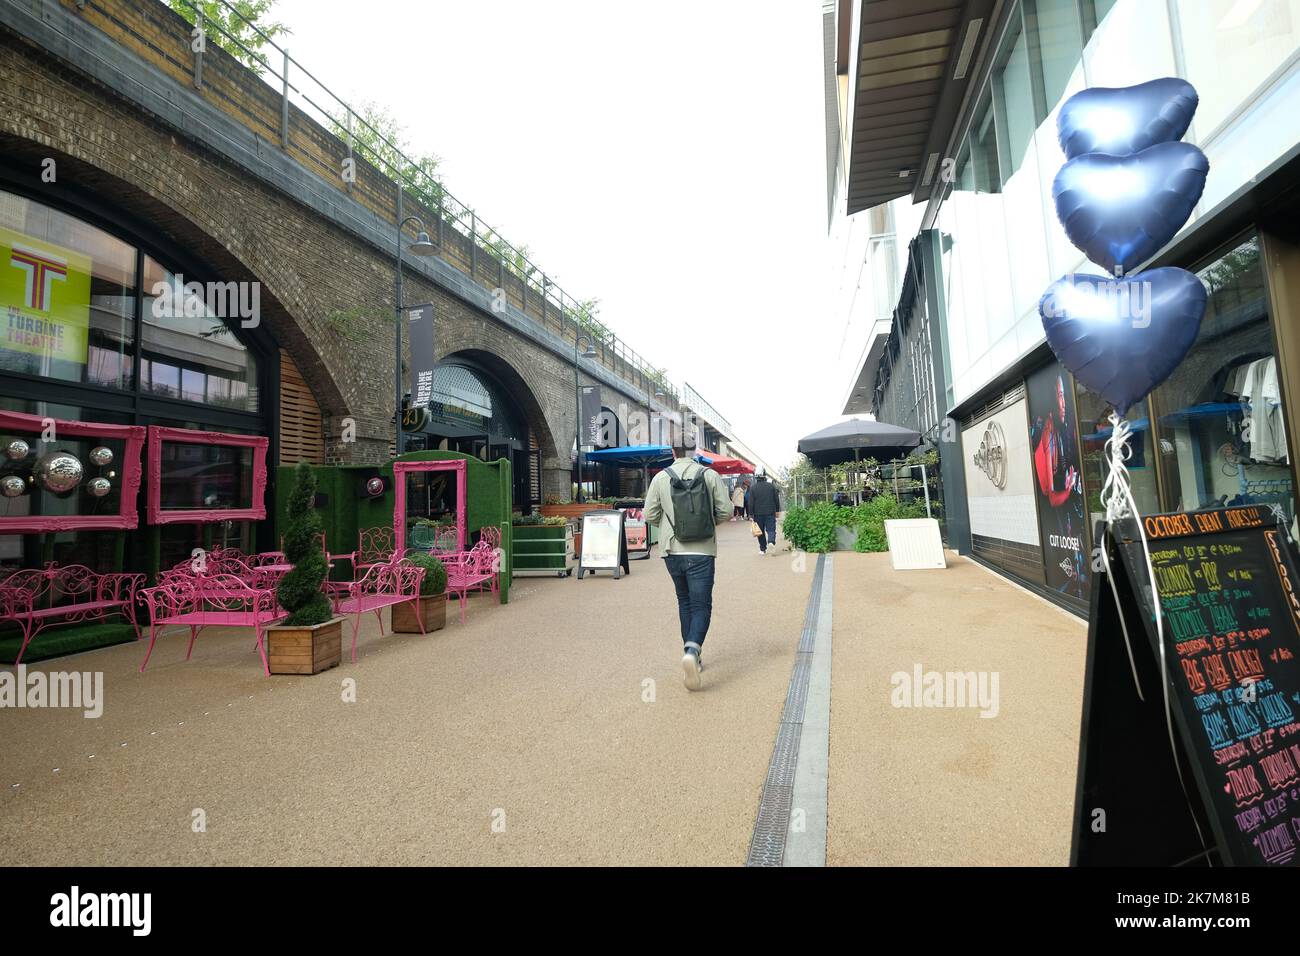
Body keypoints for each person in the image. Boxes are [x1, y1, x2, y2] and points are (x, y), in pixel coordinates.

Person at [644, 443, 732, 690]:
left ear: (673, 452)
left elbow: (649, 514)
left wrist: (672, 522)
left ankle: (693, 654)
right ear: (696, 452)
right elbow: (726, 511)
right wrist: (704, 520)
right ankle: (692, 651)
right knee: (701, 604)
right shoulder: (710, 475)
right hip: (702, 550)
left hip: (672, 550)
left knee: (684, 601)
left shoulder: (661, 478)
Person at [746, 467, 781, 556]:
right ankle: (771, 542)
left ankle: (763, 549)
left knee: (760, 532)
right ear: (764, 476)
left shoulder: (753, 488)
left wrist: (750, 514)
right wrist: (777, 510)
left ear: (756, 477)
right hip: (770, 512)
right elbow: (776, 499)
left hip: (758, 513)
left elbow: (751, 503)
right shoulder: (771, 486)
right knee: (771, 529)